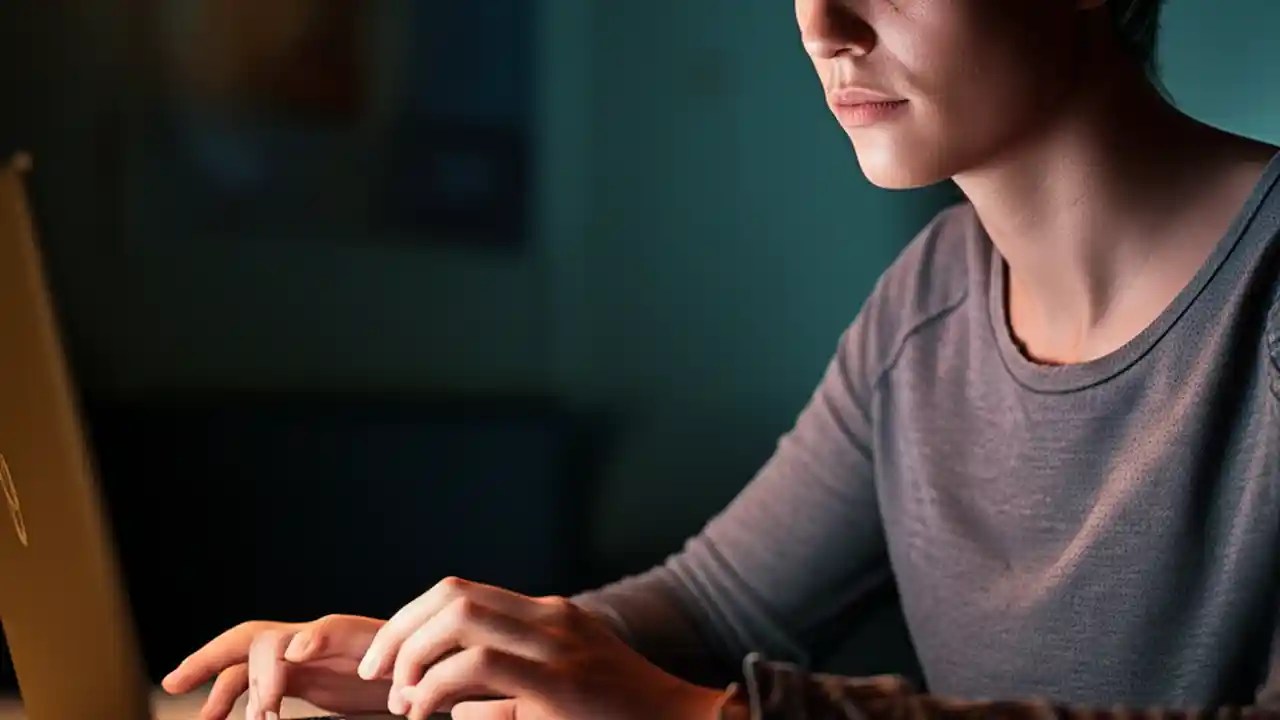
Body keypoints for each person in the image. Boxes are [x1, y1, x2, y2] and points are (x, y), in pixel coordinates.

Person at [161, 1, 1280, 718]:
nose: (820, 24)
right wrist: (417, 666)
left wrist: (694, 717)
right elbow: (711, 604)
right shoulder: (931, 297)